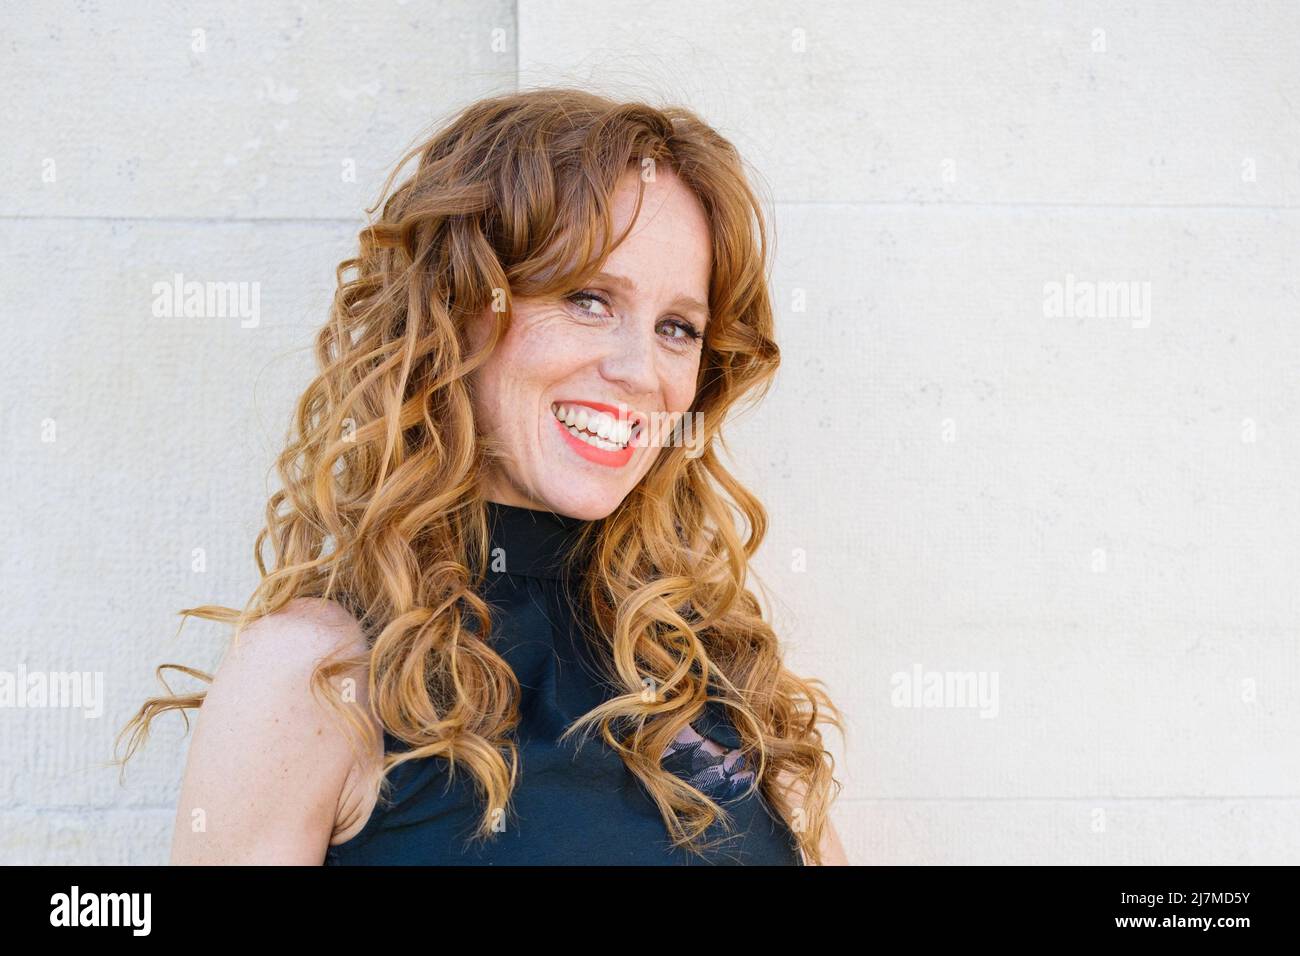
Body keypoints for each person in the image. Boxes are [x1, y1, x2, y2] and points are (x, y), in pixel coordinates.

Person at [115, 87, 848, 865]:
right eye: (588, 299)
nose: (641, 372)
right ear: (457, 307)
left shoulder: (712, 663)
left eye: (677, 327)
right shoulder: (317, 675)